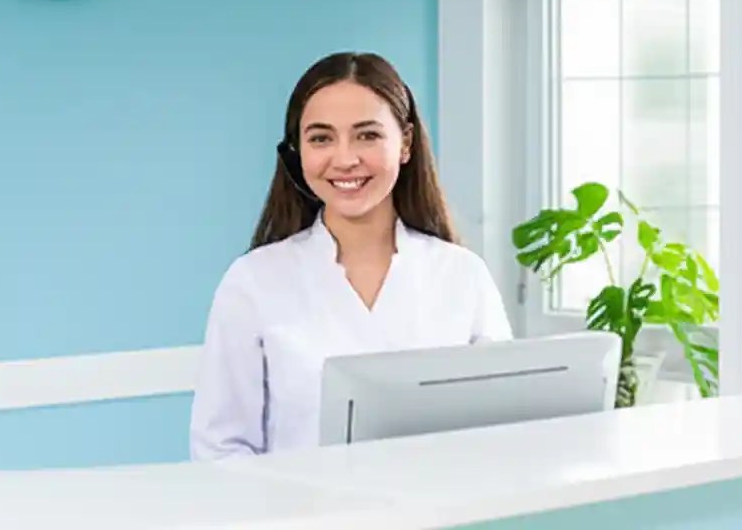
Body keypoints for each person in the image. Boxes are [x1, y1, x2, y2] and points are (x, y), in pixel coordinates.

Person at [189, 51, 513, 461]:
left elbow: (503, 433)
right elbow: (220, 449)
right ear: (297, 151)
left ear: (406, 144)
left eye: (367, 135)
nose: (345, 159)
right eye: (321, 138)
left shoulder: (463, 276)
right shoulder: (254, 281)